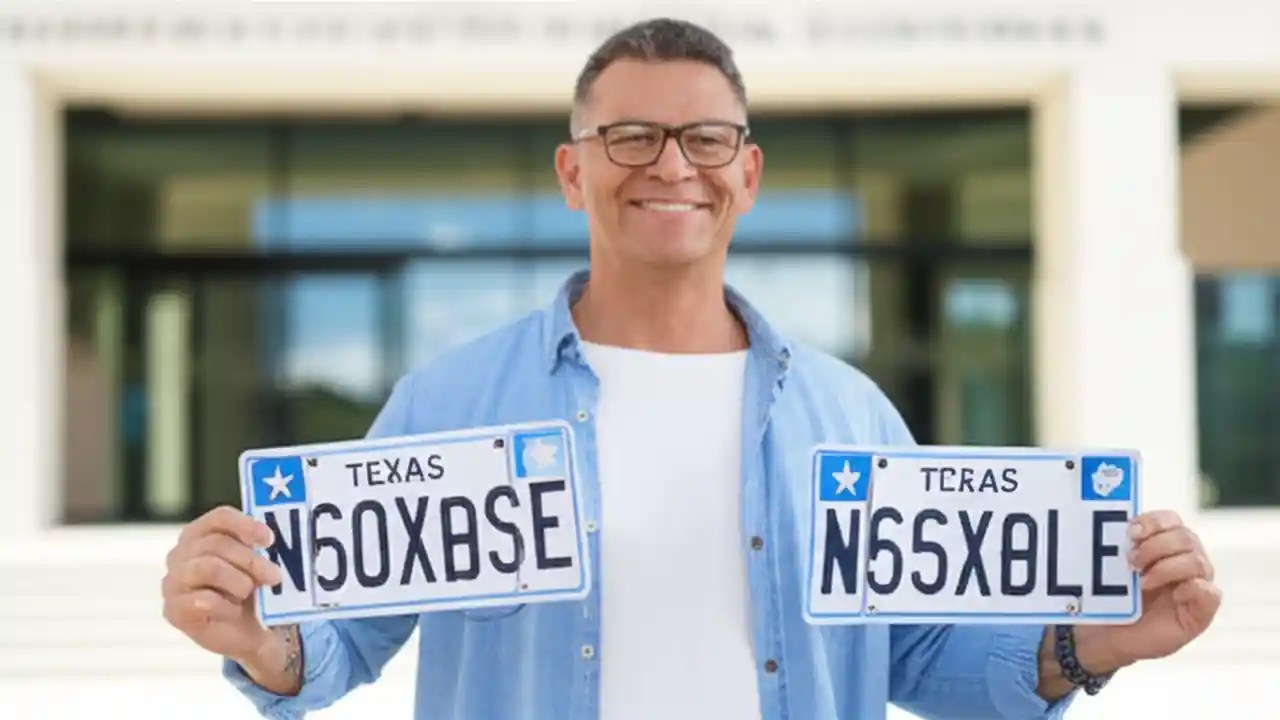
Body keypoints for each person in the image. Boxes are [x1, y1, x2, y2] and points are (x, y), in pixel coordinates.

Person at [160, 17, 1222, 720]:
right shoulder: (447, 405)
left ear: (746, 174)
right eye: (630, 136)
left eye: (705, 139)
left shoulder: (849, 415)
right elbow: (338, 640)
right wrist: (258, 637)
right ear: (572, 172)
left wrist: (1090, 642)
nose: (671, 165)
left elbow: (919, 655)